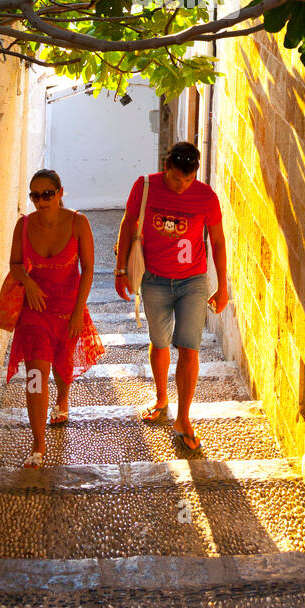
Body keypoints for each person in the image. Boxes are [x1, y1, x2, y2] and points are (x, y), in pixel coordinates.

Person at [115, 141, 228, 456]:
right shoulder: (146, 186)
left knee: (189, 348)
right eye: (178, 179)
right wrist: (120, 269)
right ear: (167, 168)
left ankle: (183, 418)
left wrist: (223, 285)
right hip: (154, 280)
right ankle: (162, 397)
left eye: (189, 180)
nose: (183, 186)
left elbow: (217, 242)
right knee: (160, 342)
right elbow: (128, 224)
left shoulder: (206, 197)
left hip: (193, 280)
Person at [6, 169, 104, 466]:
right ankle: (38, 444)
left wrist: (78, 313)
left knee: (63, 365)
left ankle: (62, 400)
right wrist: (29, 281)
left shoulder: (78, 223)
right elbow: (14, 263)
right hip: (35, 312)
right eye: (35, 195)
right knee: (35, 375)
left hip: (68, 309)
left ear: (61, 192)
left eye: (47, 194)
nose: (40, 201)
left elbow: (88, 269)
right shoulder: (23, 226)